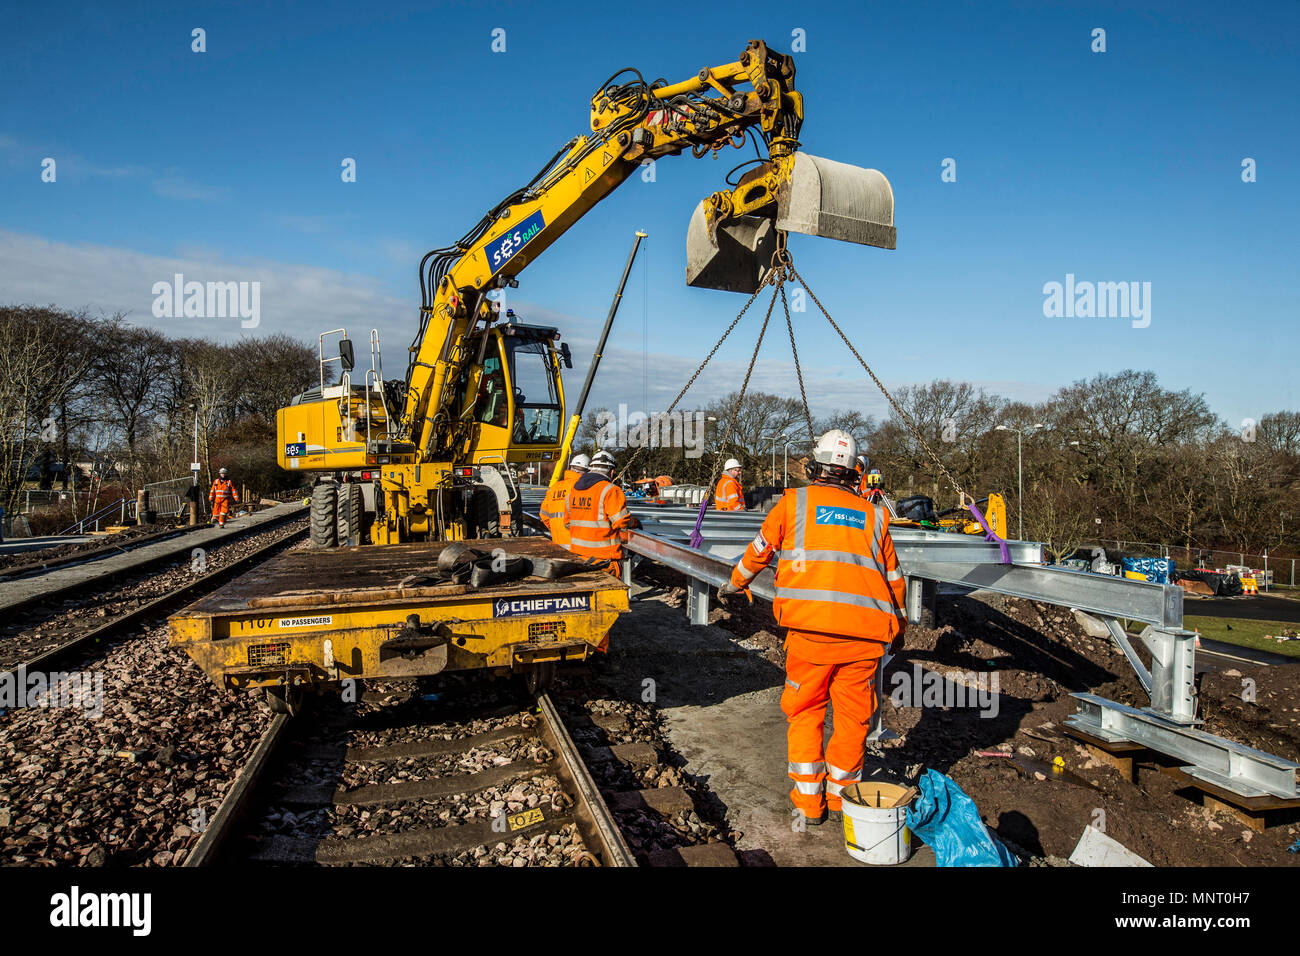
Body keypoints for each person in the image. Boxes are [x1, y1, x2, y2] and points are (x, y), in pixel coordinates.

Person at [719, 430, 906, 826]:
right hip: (865, 637)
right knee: (855, 718)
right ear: (854, 472)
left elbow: (758, 552)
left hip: (811, 635)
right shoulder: (875, 515)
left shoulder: (794, 503)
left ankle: (809, 804)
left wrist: (734, 583)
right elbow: (894, 578)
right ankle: (842, 801)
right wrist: (900, 623)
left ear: (813, 466)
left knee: (806, 713)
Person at [564, 450, 640, 575]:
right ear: (611, 472)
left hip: (579, 556)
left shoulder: (574, 491)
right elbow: (621, 522)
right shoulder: (611, 490)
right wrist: (635, 522)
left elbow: (567, 523)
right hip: (604, 559)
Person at [538, 453, 589, 550]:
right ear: (587, 471)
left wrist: (556, 529)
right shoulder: (584, 489)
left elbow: (544, 515)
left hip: (558, 542)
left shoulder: (554, 487)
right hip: (579, 545)